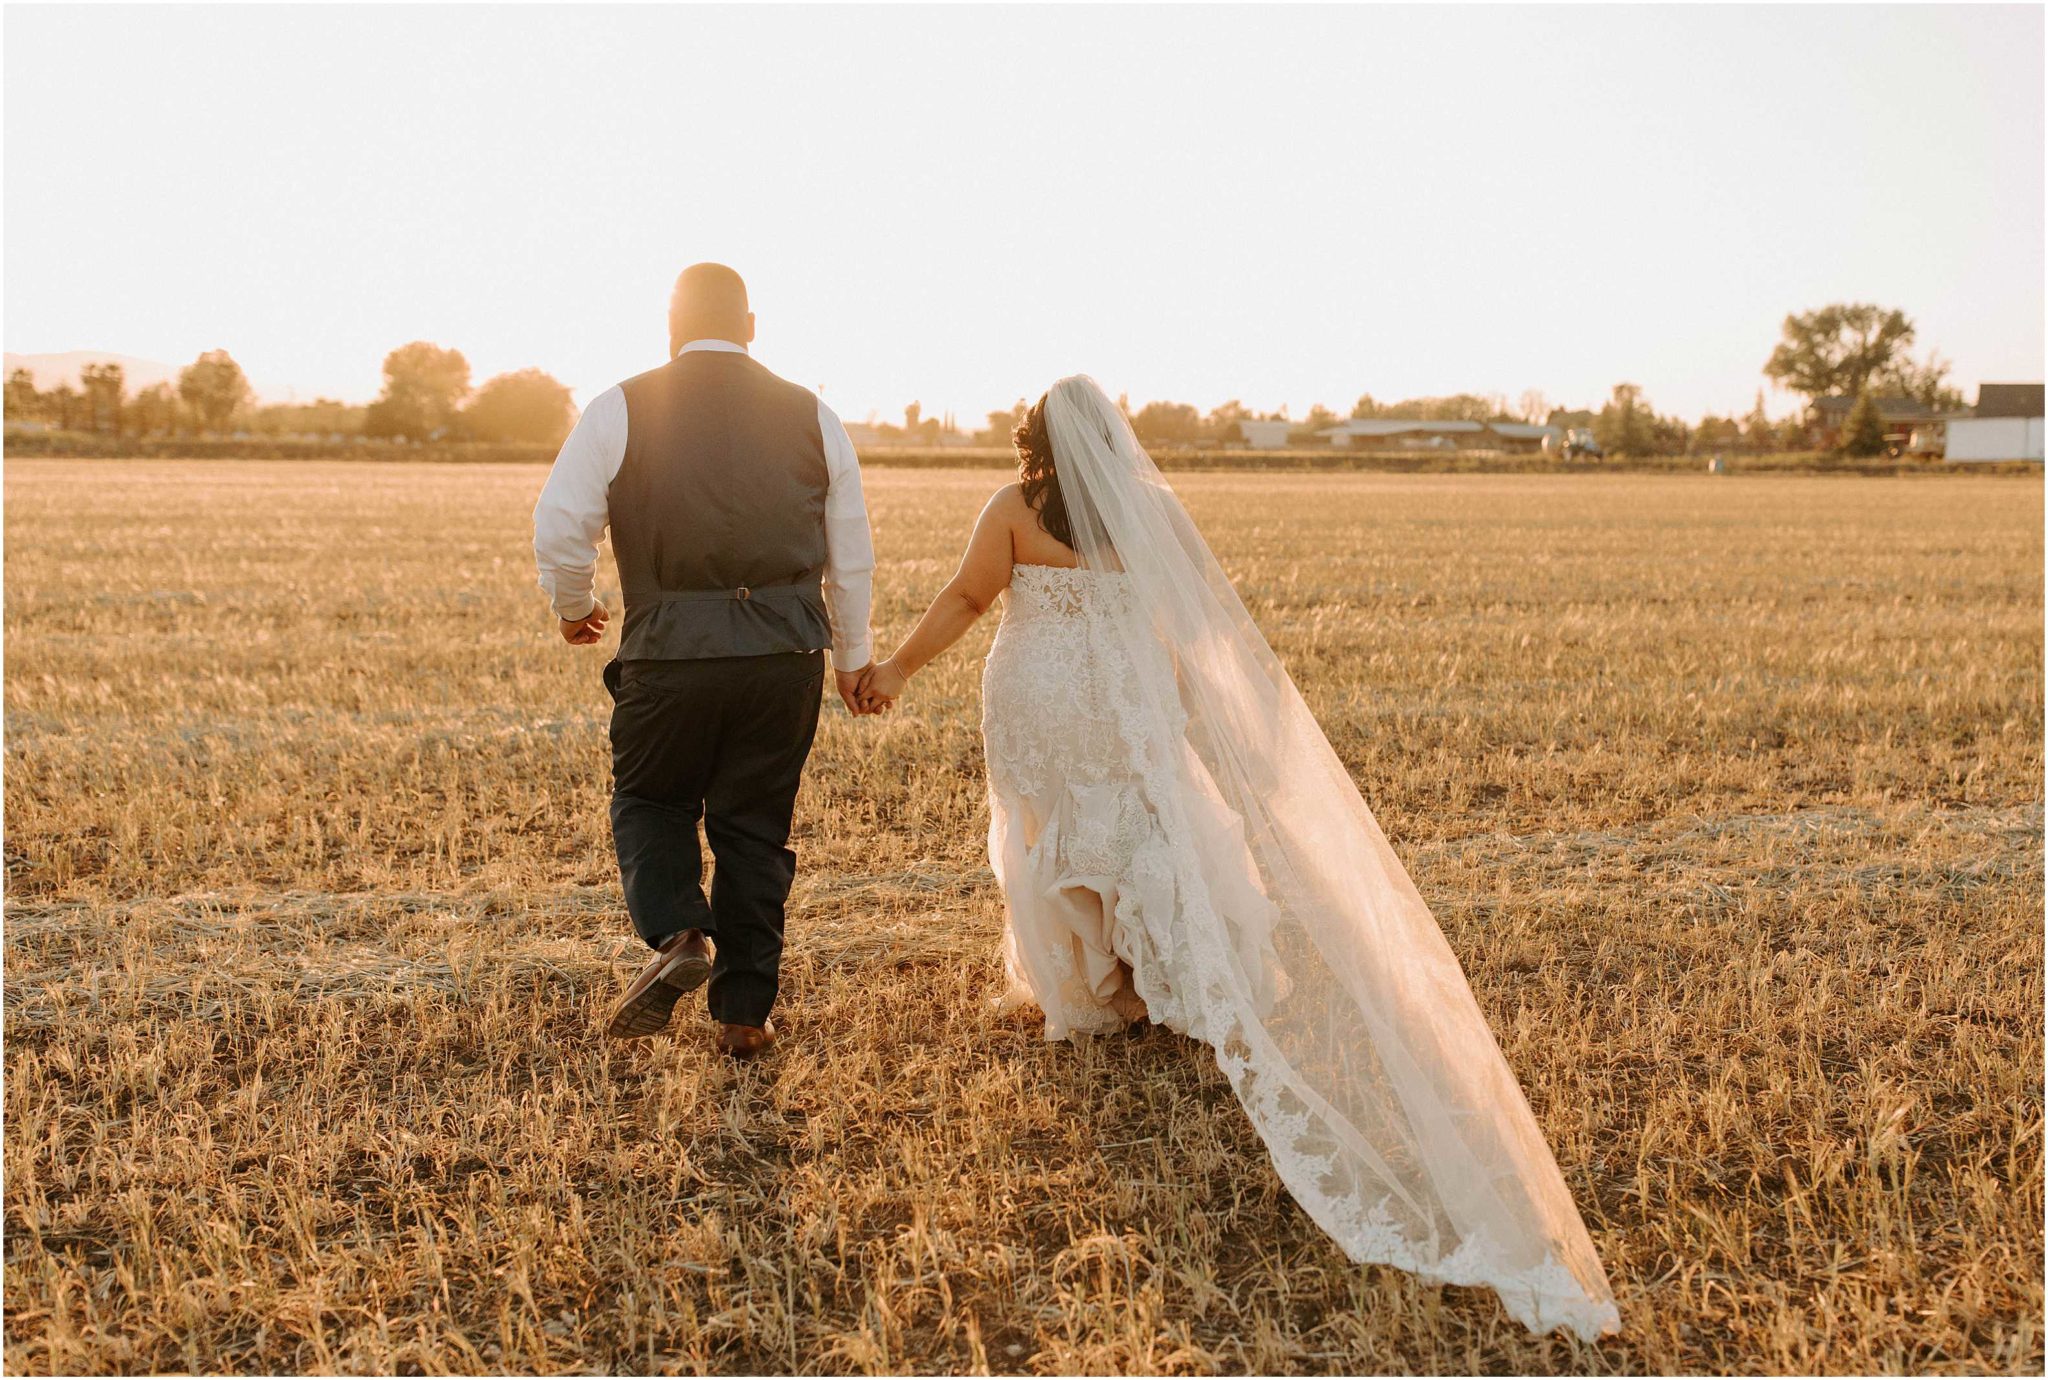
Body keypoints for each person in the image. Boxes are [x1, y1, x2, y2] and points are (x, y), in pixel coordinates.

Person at [855, 375, 1623, 1340]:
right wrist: (1226, 713)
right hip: (1121, 701)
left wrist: (893, 671)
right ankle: (1146, 975)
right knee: (1145, 829)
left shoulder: (1011, 508)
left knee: (1049, 828)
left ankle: (1087, 987)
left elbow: (969, 597)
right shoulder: (1153, 512)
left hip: (1038, 694)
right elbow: (1204, 625)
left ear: (1035, 438)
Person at [532, 263, 878, 1058]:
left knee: (651, 801)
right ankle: (745, 1016)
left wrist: (575, 607)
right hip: (785, 654)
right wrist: (852, 656)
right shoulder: (814, 415)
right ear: (751, 326)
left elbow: (561, 523)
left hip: (671, 653)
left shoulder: (620, 405)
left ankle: (681, 933)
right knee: (756, 831)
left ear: (670, 325)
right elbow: (849, 555)